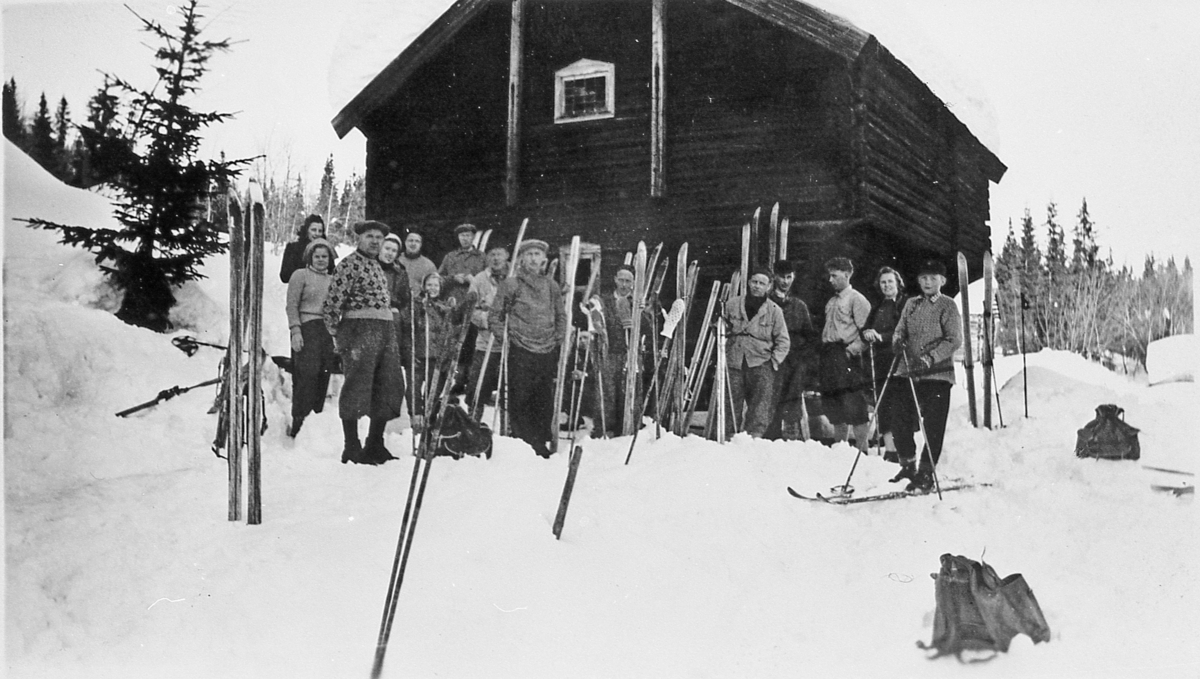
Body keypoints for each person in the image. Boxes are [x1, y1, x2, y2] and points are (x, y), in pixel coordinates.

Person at [322, 220, 405, 465]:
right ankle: (351, 446)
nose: (375, 242)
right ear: (360, 238)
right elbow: (331, 305)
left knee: (390, 383)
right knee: (357, 385)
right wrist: (341, 337)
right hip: (359, 331)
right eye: (370, 236)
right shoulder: (348, 265)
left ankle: (375, 444)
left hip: (385, 331)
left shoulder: (378, 266)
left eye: (379, 238)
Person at [488, 239, 566, 457]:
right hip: (520, 349)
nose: (533, 258)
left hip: (547, 349)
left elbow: (561, 315)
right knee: (521, 396)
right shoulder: (511, 284)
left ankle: (540, 440)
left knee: (543, 398)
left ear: (544, 259)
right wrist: (506, 338)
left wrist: (558, 337)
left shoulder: (551, 286)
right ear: (522, 258)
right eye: (529, 254)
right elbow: (494, 315)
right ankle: (524, 442)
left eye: (537, 254)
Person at [890, 259, 963, 492]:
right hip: (908, 371)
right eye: (923, 278)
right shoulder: (911, 304)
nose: (927, 282)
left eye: (933, 278)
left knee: (933, 425)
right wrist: (897, 341)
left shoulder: (947, 305)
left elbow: (954, 339)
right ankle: (908, 465)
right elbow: (899, 330)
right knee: (898, 416)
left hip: (937, 374)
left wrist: (930, 358)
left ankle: (926, 473)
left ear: (942, 281)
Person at [723, 269, 790, 438]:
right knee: (731, 402)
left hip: (760, 363)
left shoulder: (774, 311)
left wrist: (774, 362)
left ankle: (754, 438)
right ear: (748, 282)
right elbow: (721, 330)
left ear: (768, 286)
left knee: (760, 405)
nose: (757, 286)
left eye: (762, 283)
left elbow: (783, 341)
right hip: (734, 362)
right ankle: (729, 438)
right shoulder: (732, 304)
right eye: (754, 282)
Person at [818, 256, 872, 452]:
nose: (830, 280)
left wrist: (851, 351)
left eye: (834, 275)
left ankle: (862, 450)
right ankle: (840, 449)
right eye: (829, 275)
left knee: (854, 403)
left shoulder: (857, 299)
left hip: (847, 354)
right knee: (834, 402)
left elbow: (867, 333)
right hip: (829, 355)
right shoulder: (832, 301)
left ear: (847, 275)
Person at [285, 238, 337, 437]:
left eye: (325, 256)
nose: (321, 260)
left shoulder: (333, 280)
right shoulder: (300, 275)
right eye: (317, 256)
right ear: (310, 257)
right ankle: (299, 421)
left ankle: (315, 425)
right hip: (307, 328)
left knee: (324, 375)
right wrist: (295, 331)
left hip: (327, 331)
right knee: (307, 374)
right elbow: (291, 305)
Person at [862, 266, 912, 461]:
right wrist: (867, 333)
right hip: (882, 360)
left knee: (900, 404)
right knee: (883, 404)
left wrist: (881, 337)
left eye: (890, 281)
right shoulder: (879, 306)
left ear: (898, 283)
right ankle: (890, 450)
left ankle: (904, 449)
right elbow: (867, 327)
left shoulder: (905, 304)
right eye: (883, 282)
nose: (886, 285)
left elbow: (905, 331)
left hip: (901, 360)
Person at [763, 259, 816, 440]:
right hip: (773, 357)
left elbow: (809, 336)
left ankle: (791, 438)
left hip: (795, 360)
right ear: (774, 277)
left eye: (789, 277)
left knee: (792, 398)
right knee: (771, 396)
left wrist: (803, 360)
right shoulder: (767, 303)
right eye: (781, 277)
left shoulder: (799, 306)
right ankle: (771, 437)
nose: (785, 281)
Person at [410, 272, 470, 426]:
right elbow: (409, 330)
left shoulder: (446, 308)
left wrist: (448, 356)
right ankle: (416, 417)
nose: (432, 288)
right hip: (420, 355)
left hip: (438, 358)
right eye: (429, 285)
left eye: (436, 285)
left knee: (433, 391)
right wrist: (410, 351)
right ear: (424, 287)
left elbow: (452, 333)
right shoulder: (416, 305)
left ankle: (428, 420)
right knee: (413, 389)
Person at [439, 223, 487, 394]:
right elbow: (439, 278)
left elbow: (487, 278)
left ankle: (469, 380)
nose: (465, 238)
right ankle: (455, 380)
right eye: (462, 236)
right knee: (454, 342)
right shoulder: (450, 257)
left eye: (468, 235)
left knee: (471, 343)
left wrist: (473, 279)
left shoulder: (482, 257)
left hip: (473, 306)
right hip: (454, 305)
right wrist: (453, 278)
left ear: (473, 237)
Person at [466, 245, 509, 418]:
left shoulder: (515, 276)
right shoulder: (479, 279)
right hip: (486, 343)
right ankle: (473, 422)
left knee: (510, 389)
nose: (496, 258)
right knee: (477, 385)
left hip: (511, 343)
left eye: (499, 253)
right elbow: (471, 309)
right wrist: (488, 320)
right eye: (492, 254)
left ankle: (509, 430)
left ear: (506, 255)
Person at [596, 266, 639, 436]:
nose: (624, 284)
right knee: (607, 390)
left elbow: (647, 327)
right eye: (621, 280)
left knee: (628, 389)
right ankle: (604, 429)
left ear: (633, 282)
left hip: (630, 352)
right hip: (609, 352)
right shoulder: (604, 301)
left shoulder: (636, 303)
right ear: (615, 279)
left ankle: (627, 429)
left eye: (628, 281)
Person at [378, 233, 412, 364]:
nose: (390, 253)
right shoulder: (370, 268)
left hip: (393, 319)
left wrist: (399, 314)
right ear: (380, 248)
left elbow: (406, 301)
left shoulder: (400, 274)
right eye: (387, 249)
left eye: (394, 251)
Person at [280, 214, 334, 283]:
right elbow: (284, 277)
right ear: (306, 230)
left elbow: (331, 274)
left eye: (320, 231)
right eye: (313, 230)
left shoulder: (327, 251)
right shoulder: (293, 248)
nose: (317, 234)